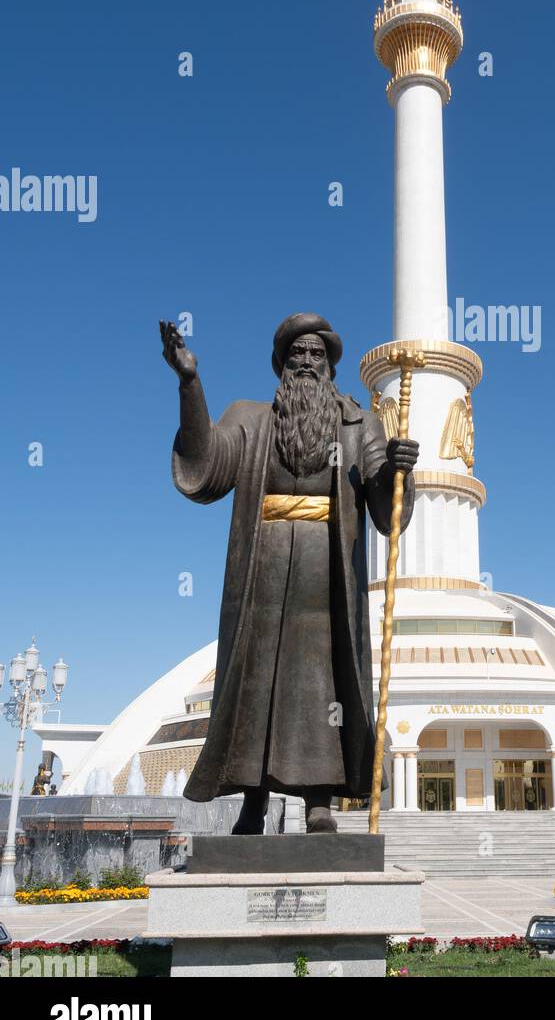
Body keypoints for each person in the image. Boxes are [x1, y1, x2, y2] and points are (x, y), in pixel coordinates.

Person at [160, 312, 418, 834]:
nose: (305, 361)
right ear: (282, 363)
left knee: (322, 680)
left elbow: (382, 505)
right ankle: (253, 799)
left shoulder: (358, 421)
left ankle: (319, 802)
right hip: (262, 563)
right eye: (297, 353)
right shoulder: (252, 417)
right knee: (257, 678)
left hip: (326, 566)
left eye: (315, 353)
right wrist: (190, 384)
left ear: (329, 364)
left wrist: (398, 468)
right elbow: (208, 466)